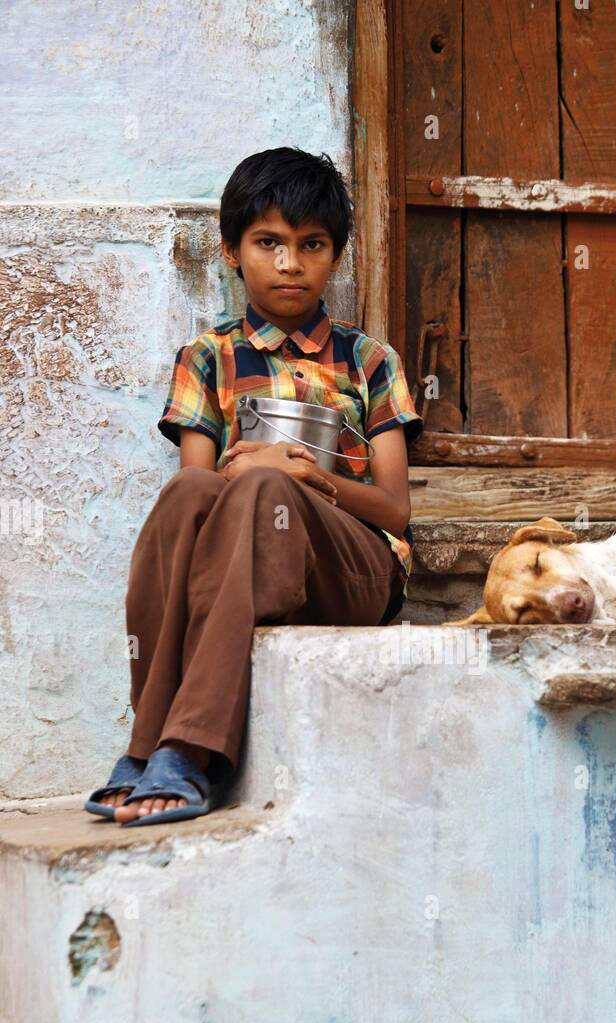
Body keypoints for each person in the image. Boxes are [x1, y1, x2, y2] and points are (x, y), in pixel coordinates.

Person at [84, 146, 423, 826]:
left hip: (351, 569)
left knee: (267, 488)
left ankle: (187, 747)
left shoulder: (369, 361)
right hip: (243, 561)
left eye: (311, 245)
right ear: (232, 251)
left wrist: (305, 476)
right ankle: (150, 744)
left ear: (337, 255)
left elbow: (394, 510)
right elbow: (195, 494)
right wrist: (253, 473)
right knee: (193, 494)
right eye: (268, 242)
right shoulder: (208, 357)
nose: (290, 263)